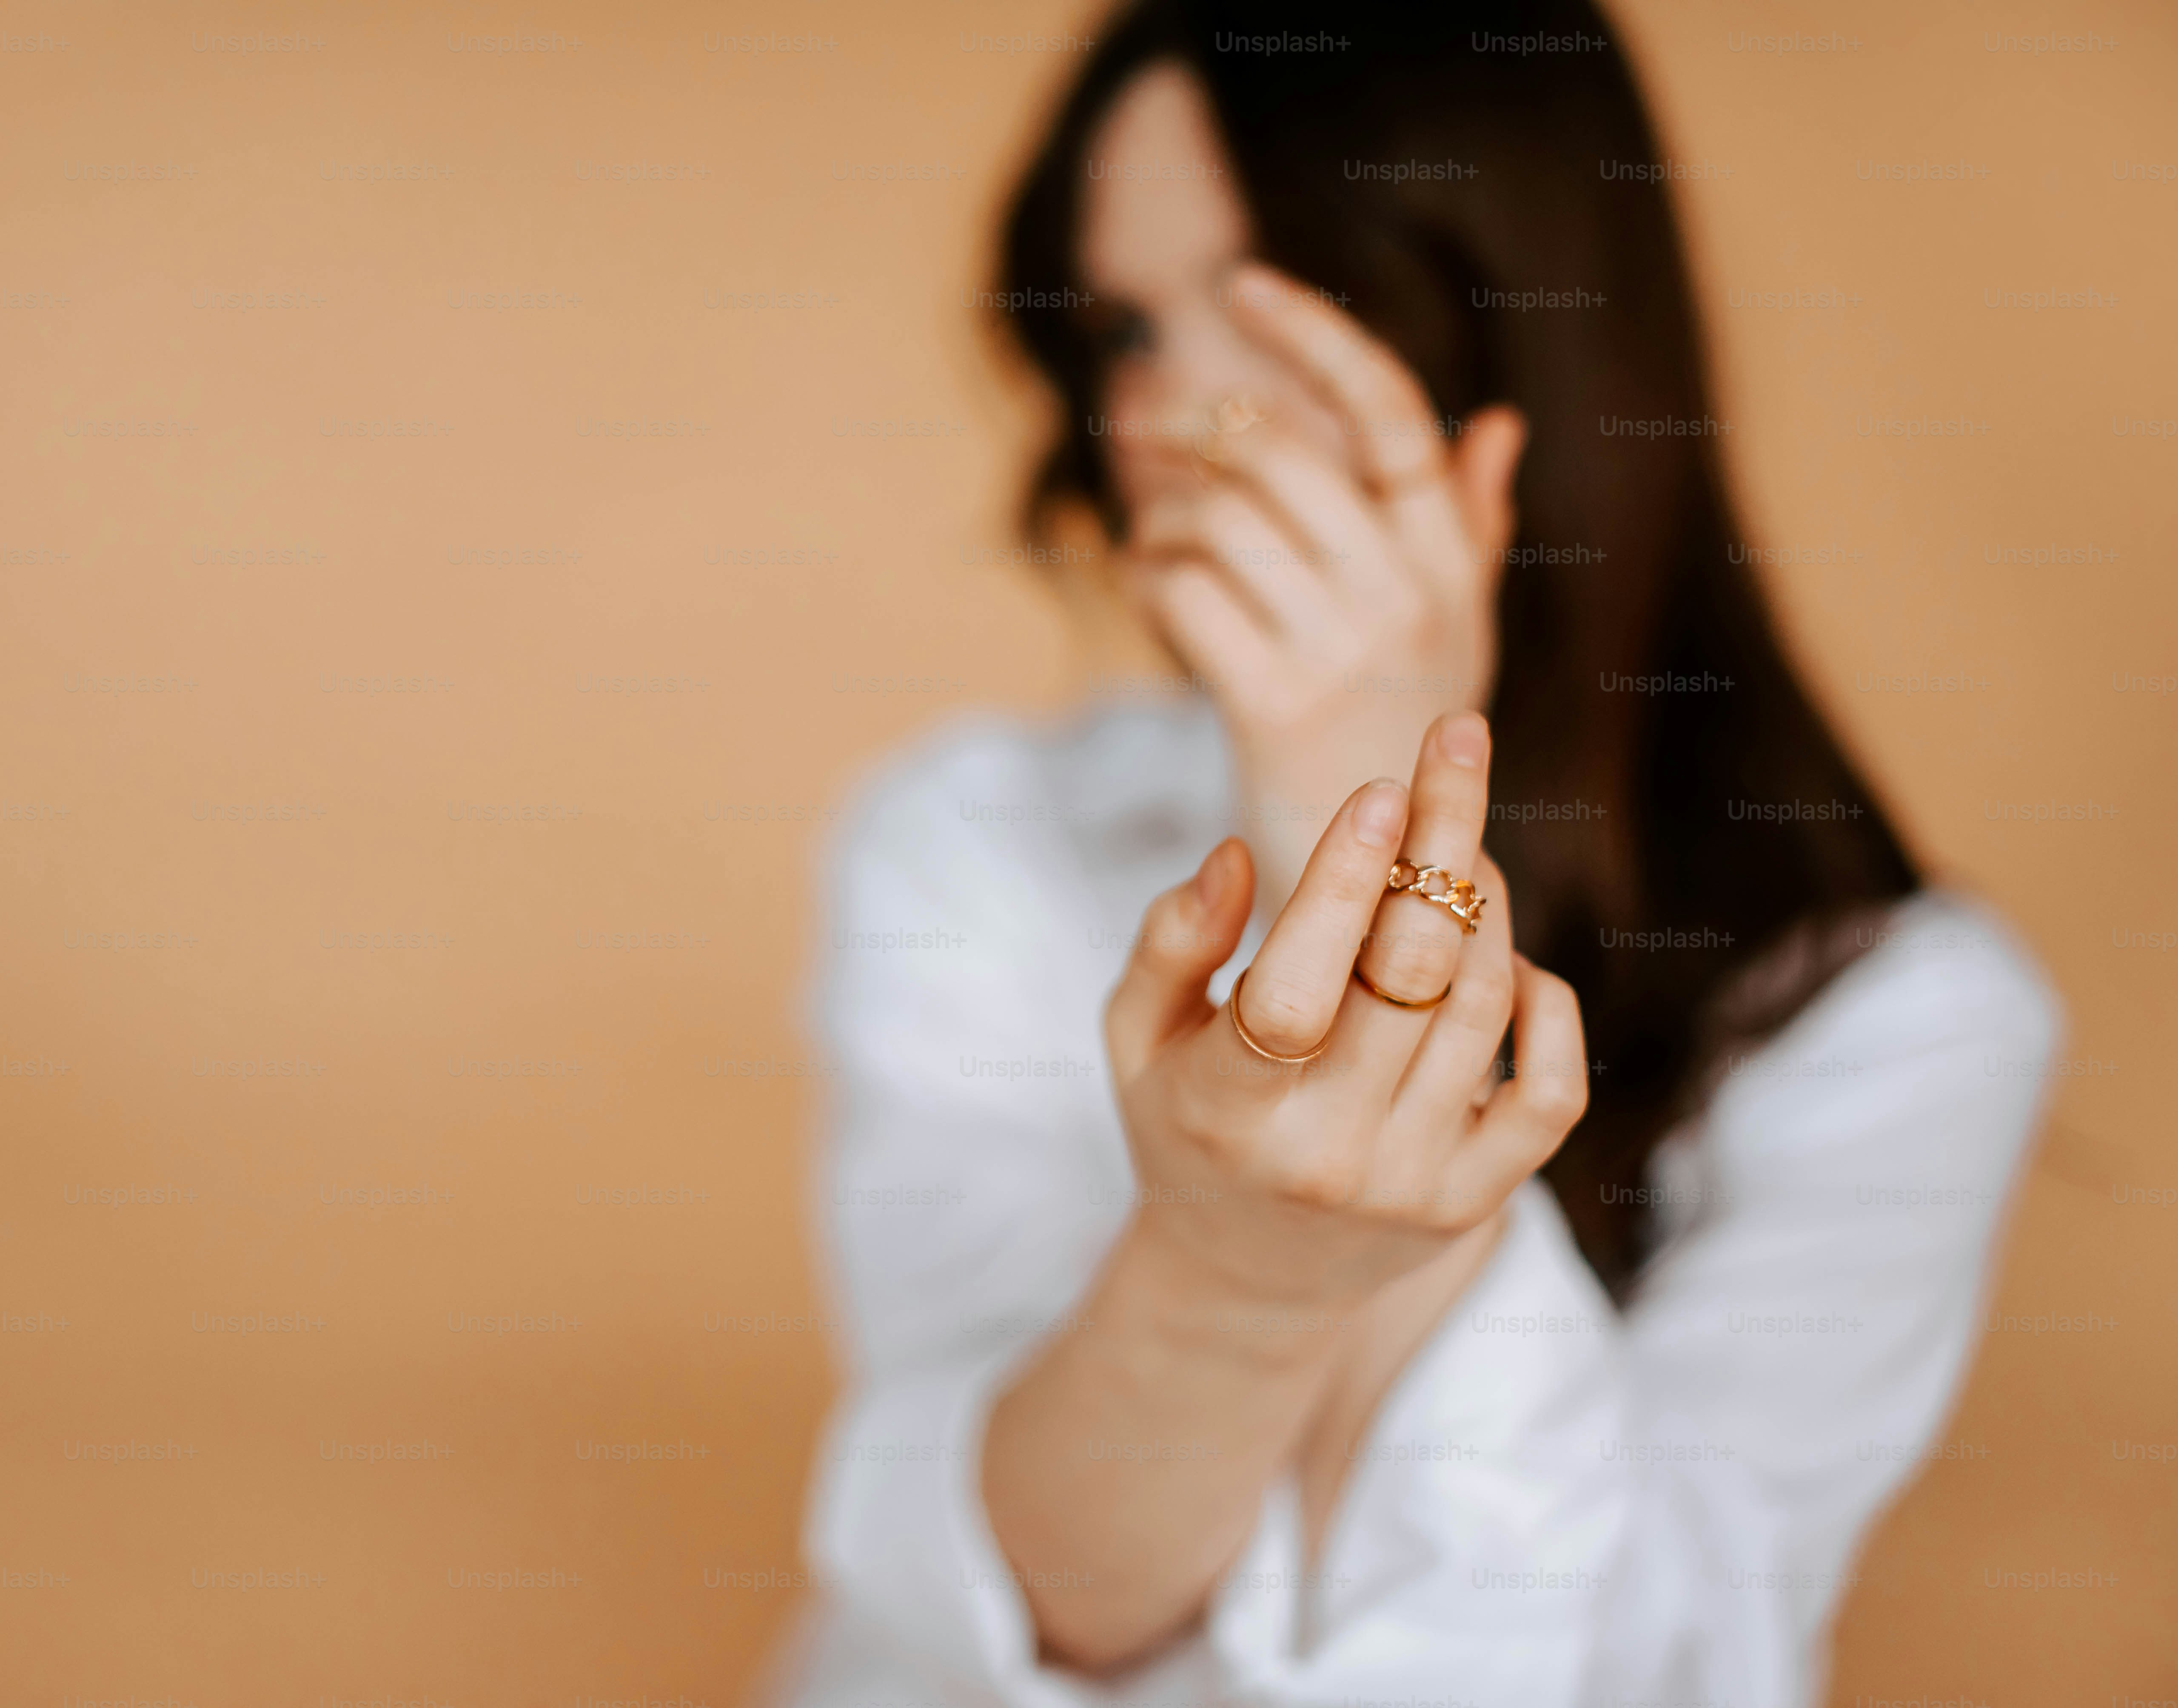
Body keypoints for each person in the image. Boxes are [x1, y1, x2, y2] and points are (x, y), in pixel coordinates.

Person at [778, 5, 2059, 1704]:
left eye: (1283, 309)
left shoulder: (1896, 1016)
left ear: (1526, 337)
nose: (1177, 418)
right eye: (1124, 329)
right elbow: (1008, 1603)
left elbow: (1622, 1665)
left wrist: (1364, 831)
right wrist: (1231, 1270)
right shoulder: (972, 842)